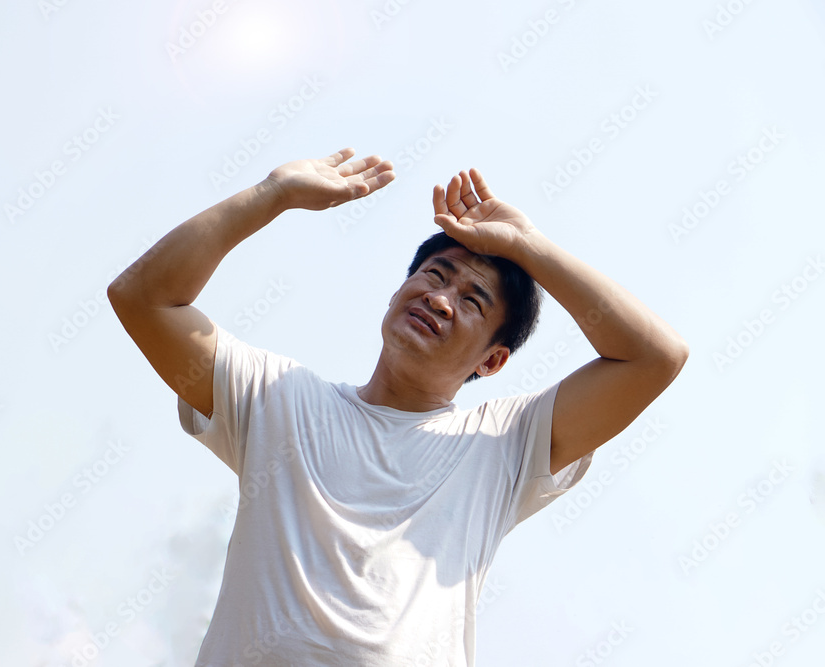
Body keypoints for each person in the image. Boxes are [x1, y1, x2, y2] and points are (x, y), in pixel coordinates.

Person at [107, 148, 688, 665]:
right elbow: (142, 297)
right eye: (434, 274)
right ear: (397, 291)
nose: (439, 298)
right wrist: (273, 194)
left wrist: (529, 248)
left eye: (472, 300)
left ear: (492, 361)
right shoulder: (278, 397)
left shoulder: (504, 445)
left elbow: (654, 356)